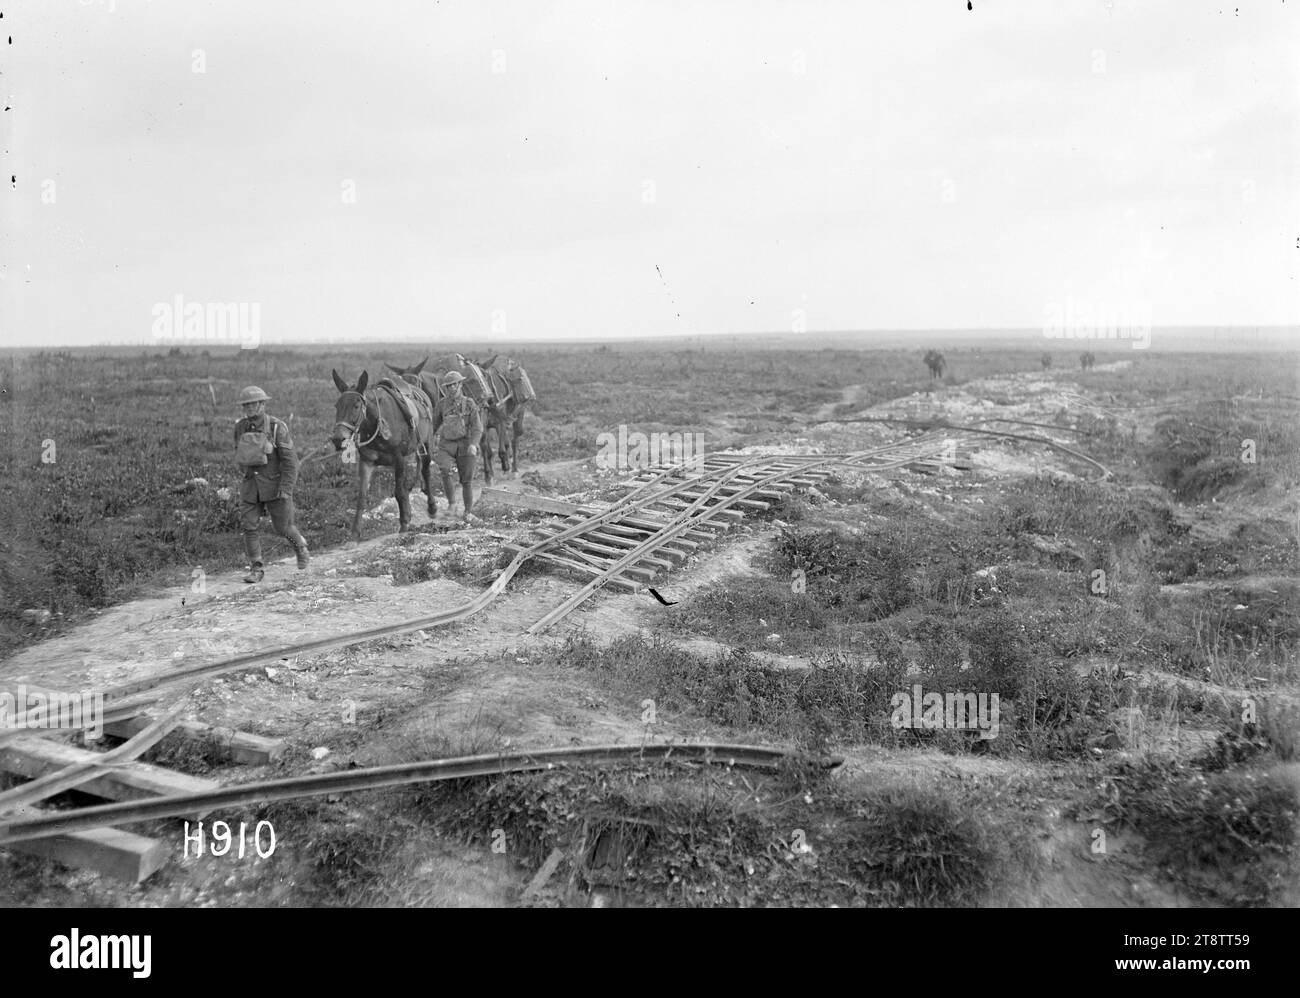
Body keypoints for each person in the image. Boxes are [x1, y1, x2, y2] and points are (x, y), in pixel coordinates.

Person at [233, 386, 310, 582]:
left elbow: (290, 462)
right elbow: (239, 455)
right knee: (249, 526)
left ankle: (300, 546)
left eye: (253, 404)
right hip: (251, 487)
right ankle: (256, 568)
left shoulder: (277, 428)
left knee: (283, 528)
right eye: (246, 405)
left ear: (263, 404)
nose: (250, 408)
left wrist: (286, 488)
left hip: (276, 487)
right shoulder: (240, 428)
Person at [430, 370, 483, 522]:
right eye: (448, 386)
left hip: (466, 444)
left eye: (454, 385)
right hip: (447, 444)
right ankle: (452, 505)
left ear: (460, 385)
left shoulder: (470, 403)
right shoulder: (441, 404)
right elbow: (434, 426)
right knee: (445, 470)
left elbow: (477, 427)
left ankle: (467, 512)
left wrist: (473, 444)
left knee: (466, 481)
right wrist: (428, 442)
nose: (451, 388)